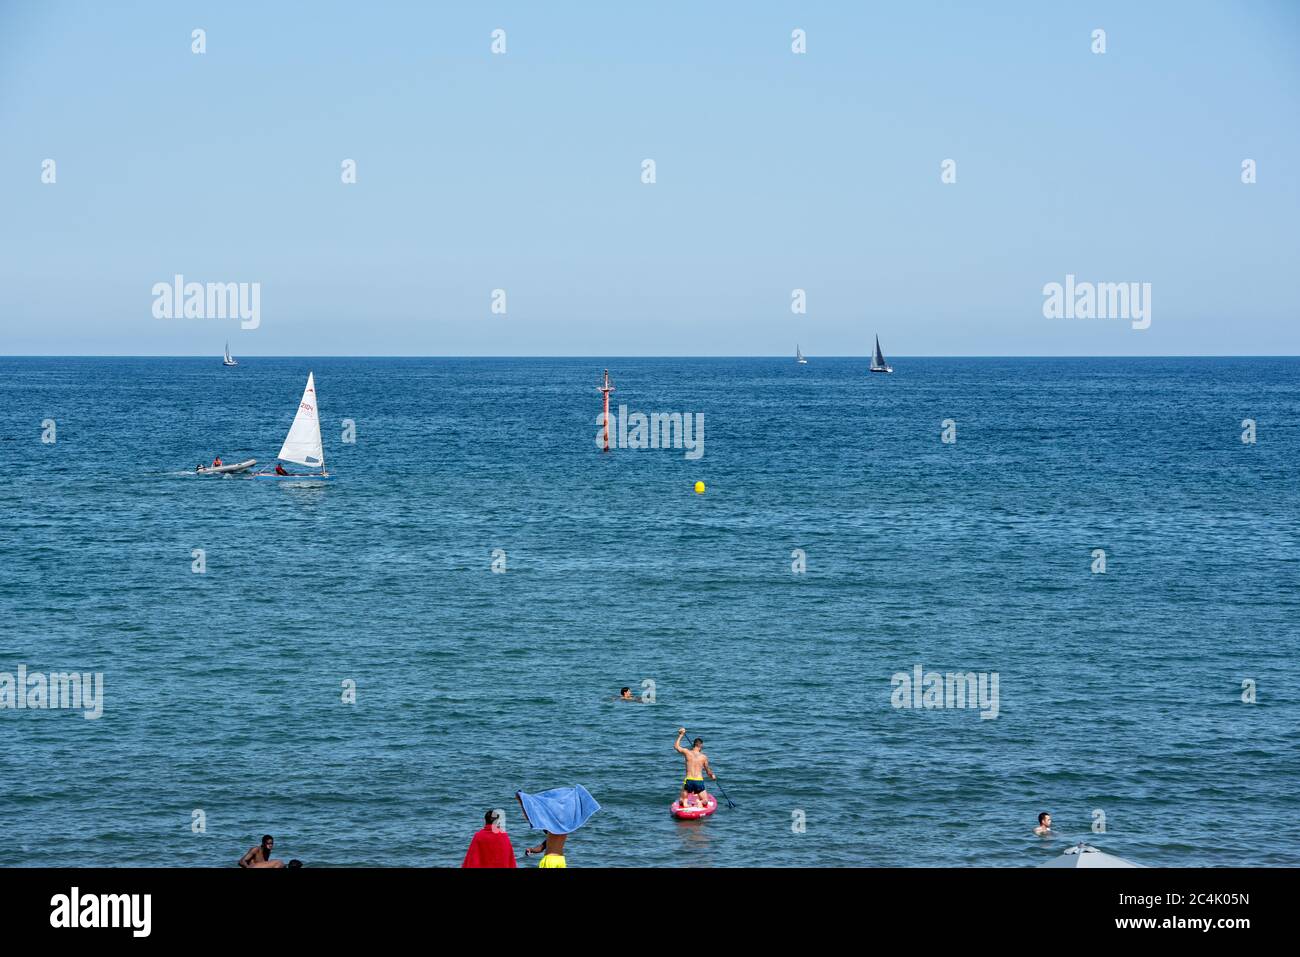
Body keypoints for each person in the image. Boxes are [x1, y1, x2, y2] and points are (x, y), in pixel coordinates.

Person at [674, 728, 716, 808]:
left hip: (688, 780)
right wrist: (712, 776)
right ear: (701, 746)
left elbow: (676, 746)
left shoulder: (687, 752)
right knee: (705, 801)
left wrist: (681, 735)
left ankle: (684, 801)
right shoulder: (703, 757)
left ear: (694, 744)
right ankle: (700, 802)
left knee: (681, 800)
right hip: (698, 781)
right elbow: (708, 771)